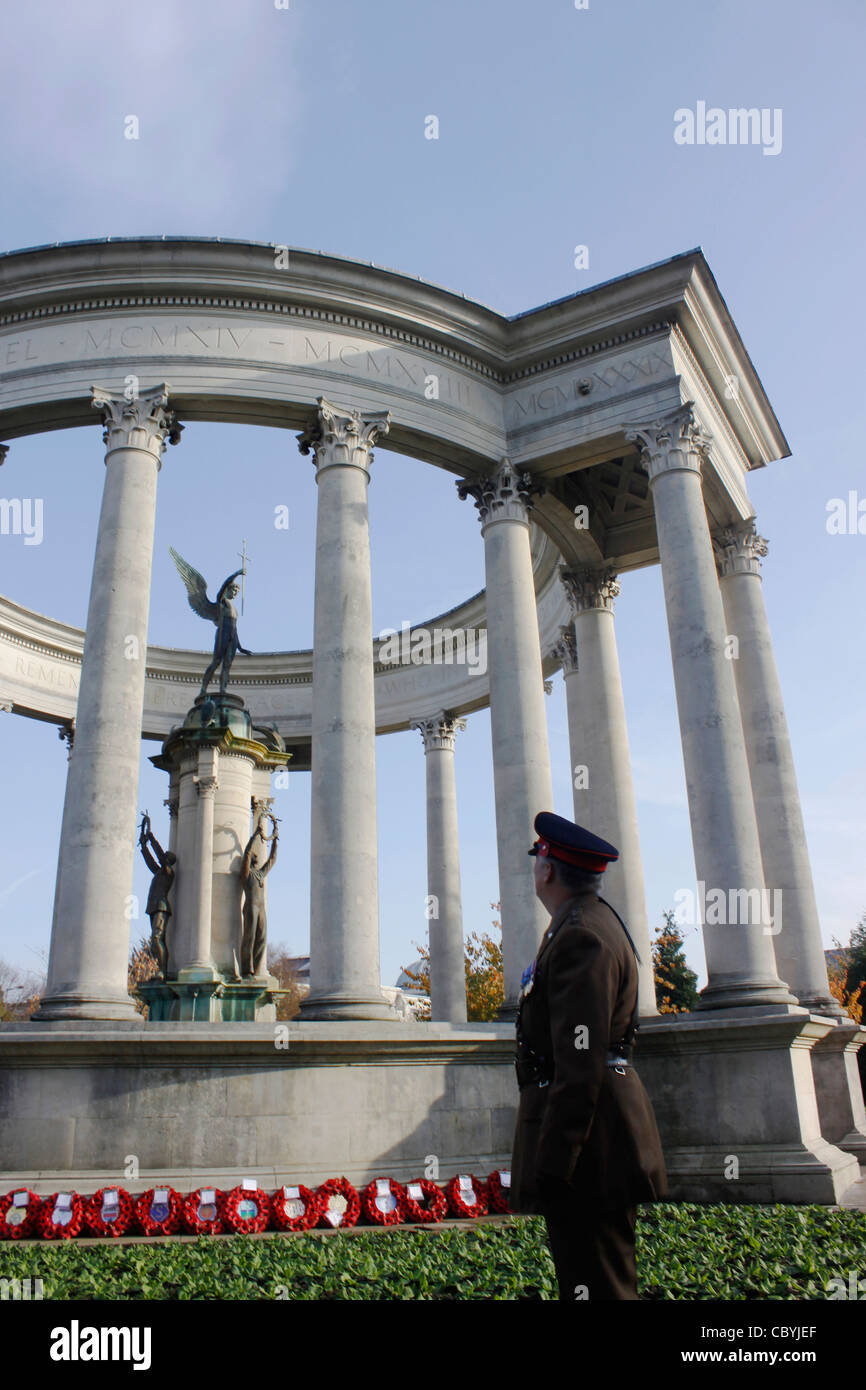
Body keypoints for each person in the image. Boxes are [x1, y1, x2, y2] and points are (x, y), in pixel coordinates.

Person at [510, 811, 667, 1300]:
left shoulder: (580, 935)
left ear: (549, 868)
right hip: (597, 1141)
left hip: (589, 1149)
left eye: (538, 855)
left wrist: (555, 1161)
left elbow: (580, 1063)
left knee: (598, 1282)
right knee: (595, 1277)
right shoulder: (584, 923)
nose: (534, 863)